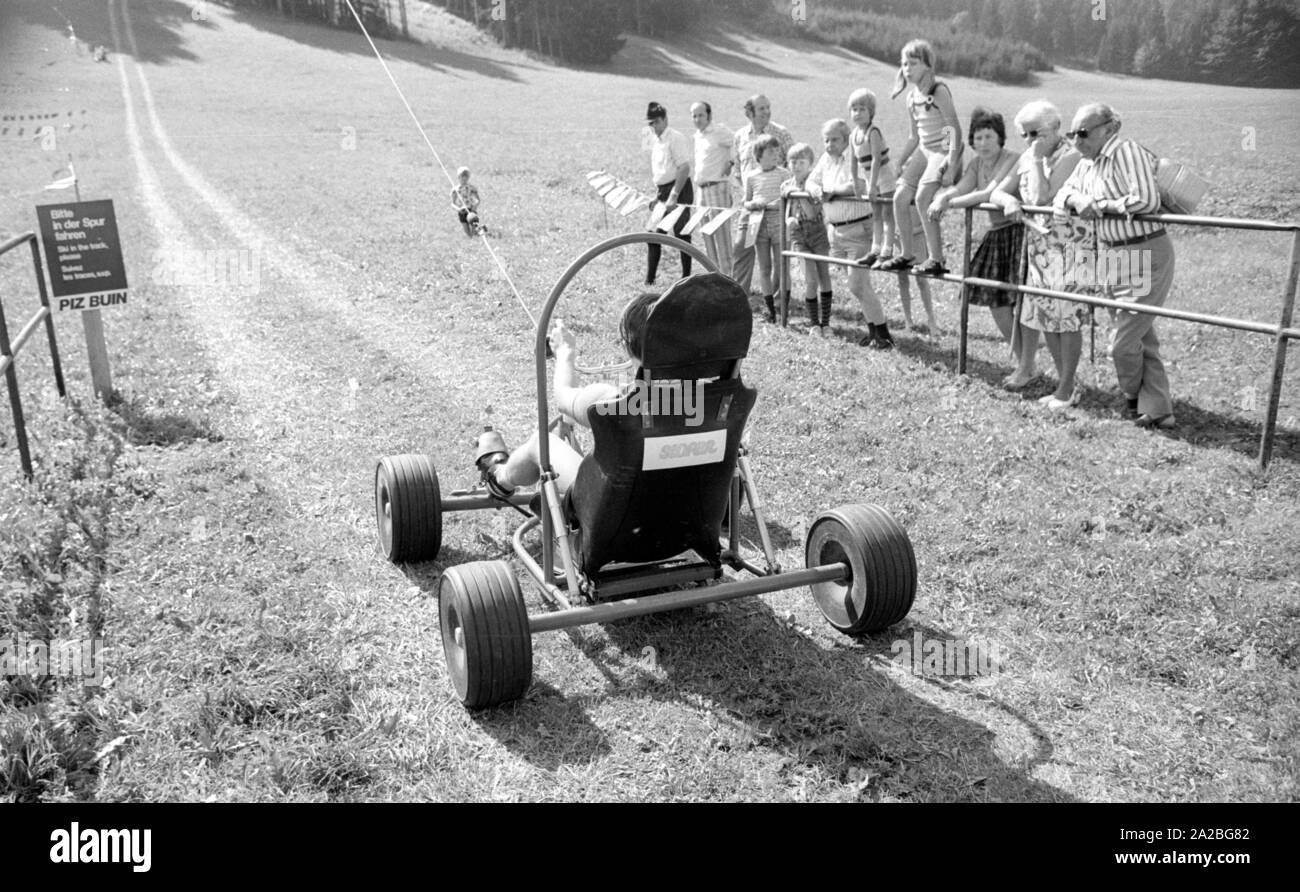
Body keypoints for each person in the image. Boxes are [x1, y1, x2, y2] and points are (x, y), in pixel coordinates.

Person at [1055, 102, 1176, 429]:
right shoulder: (1087, 163)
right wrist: (1078, 200)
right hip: (1113, 254)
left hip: (1145, 251)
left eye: (1083, 132)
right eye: (1072, 134)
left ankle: (1133, 398)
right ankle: (1159, 409)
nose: (1076, 140)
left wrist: (1102, 206)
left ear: (1109, 128)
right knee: (1140, 337)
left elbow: (1146, 200)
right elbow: (1061, 195)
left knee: (1122, 343)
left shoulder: (1125, 151)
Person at [475, 293, 659, 499]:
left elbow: (564, 398)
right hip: (690, 517)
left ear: (627, 346)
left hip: (614, 515)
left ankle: (501, 478)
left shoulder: (615, 400)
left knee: (541, 442)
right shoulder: (699, 399)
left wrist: (565, 353)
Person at [989, 100, 1087, 410]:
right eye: (1025, 135)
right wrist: (1009, 201)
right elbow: (997, 190)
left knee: (1067, 318)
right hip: (1039, 250)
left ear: (1056, 129)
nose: (1030, 141)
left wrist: (1035, 162)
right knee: (1047, 316)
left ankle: (1068, 386)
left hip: (1069, 247)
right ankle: (1063, 384)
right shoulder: (1030, 157)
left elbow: (1046, 196)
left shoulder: (1071, 156)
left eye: (1036, 133)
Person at [930, 107, 1023, 345]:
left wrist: (946, 204)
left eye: (989, 136)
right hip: (997, 236)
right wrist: (943, 197)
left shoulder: (1012, 158)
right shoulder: (976, 164)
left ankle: (1029, 360)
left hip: (1019, 233)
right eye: (978, 137)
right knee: (996, 302)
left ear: (1000, 138)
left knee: (1023, 302)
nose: (983, 143)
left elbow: (988, 193)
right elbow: (962, 188)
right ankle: (1023, 358)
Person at [880, 39, 962, 277]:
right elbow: (914, 137)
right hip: (924, 150)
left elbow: (952, 127)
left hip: (942, 150)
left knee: (923, 197)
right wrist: (900, 161)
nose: (907, 68)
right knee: (899, 197)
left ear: (927, 65)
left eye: (913, 63)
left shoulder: (938, 91)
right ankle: (907, 254)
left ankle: (936, 258)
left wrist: (950, 161)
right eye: (904, 64)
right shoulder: (911, 98)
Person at [808, 118, 892, 349]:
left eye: (834, 139)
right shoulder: (826, 159)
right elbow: (811, 180)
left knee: (857, 284)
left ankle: (882, 333)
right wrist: (816, 190)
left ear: (846, 140)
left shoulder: (854, 158)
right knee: (859, 285)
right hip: (837, 231)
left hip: (858, 227)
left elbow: (862, 186)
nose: (829, 144)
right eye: (826, 140)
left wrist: (831, 192)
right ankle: (875, 331)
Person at [729, 94, 794, 293]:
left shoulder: (780, 132)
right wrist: (746, 192)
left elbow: (793, 162)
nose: (767, 112)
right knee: (742, 246)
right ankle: (739, 294)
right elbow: (738, 169)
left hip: (776, 206)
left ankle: (776, 299)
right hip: (751, 204)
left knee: (777, 255)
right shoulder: (740, 135)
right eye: (761, 108)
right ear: (750, 113)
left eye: (768, 107)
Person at [781, 142, 834, 335]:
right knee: (810, 279)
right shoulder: (786, 186)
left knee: (824, 275)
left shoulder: (815, 186)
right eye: (793, 161)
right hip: (799, 235)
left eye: (801, 162)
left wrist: (799, 194)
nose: (796, 166)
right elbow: (786, 211)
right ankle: (814, 323)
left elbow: (812, 213)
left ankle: (826, 322)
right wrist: (789, 219)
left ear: (810, 164)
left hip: (817, 232)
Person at [644, 102, 694, 286]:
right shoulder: (655, 141)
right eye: (651, 123)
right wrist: (657, 196)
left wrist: (674, 194)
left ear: (665, 119)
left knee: (682, 234)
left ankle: (686, 278)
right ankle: (649, 280)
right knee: (652, 234)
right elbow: (661, 172)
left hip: (679, 189)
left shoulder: (675, 138)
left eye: (656, 122)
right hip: (663, 191)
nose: (654, 126)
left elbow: (684, 167)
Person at [848, 88, 897, 268]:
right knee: (875, 214)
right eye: (854, 109)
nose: (858, 113)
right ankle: (875, 249)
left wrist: (874, 184)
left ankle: (887, 248)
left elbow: (877, 159)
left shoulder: (873, 131)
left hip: (883, 176)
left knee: (886, 213)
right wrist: (855, 181)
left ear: (871, 112)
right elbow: (853, 160)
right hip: (870, 178)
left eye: (862, 109)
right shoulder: (853, 135)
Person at [741, 135, 787, 323]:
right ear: (759, 155)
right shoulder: (751, 177)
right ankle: (770, 311)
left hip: (779, 226)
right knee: (765, 267)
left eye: (777, 152)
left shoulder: (784, 174)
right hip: (759, 227)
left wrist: (775, 204)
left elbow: (788, 198)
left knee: (781, 266)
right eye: (770, 152)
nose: (775, 155)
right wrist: (753, 204)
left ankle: (782, 306)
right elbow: (745, 201)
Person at [690, 101, 735, 275]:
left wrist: (731, 162)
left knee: (721, 233)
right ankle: (714, 275)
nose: (697, 119)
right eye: (694, 116)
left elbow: (737, 143)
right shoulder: (697, 136)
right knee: (706, 232)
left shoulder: (719, 131)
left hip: (717, 186)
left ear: (709, 115)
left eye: (700, 115)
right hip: (701, 189)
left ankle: (729, 277)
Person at [449, 167, 481, 237]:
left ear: (468, 178)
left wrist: (475, 207)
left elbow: (478, 200)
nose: (464, 179)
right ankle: (470, 237)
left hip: (471, 210)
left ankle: (475, 235)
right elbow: (452, 203)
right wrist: (458, 209)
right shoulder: (455, 189)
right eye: (462, 177)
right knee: (465, 227)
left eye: (466, 177)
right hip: (462, 211)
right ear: (458, 177)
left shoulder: (472, 188)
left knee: (474, 225)